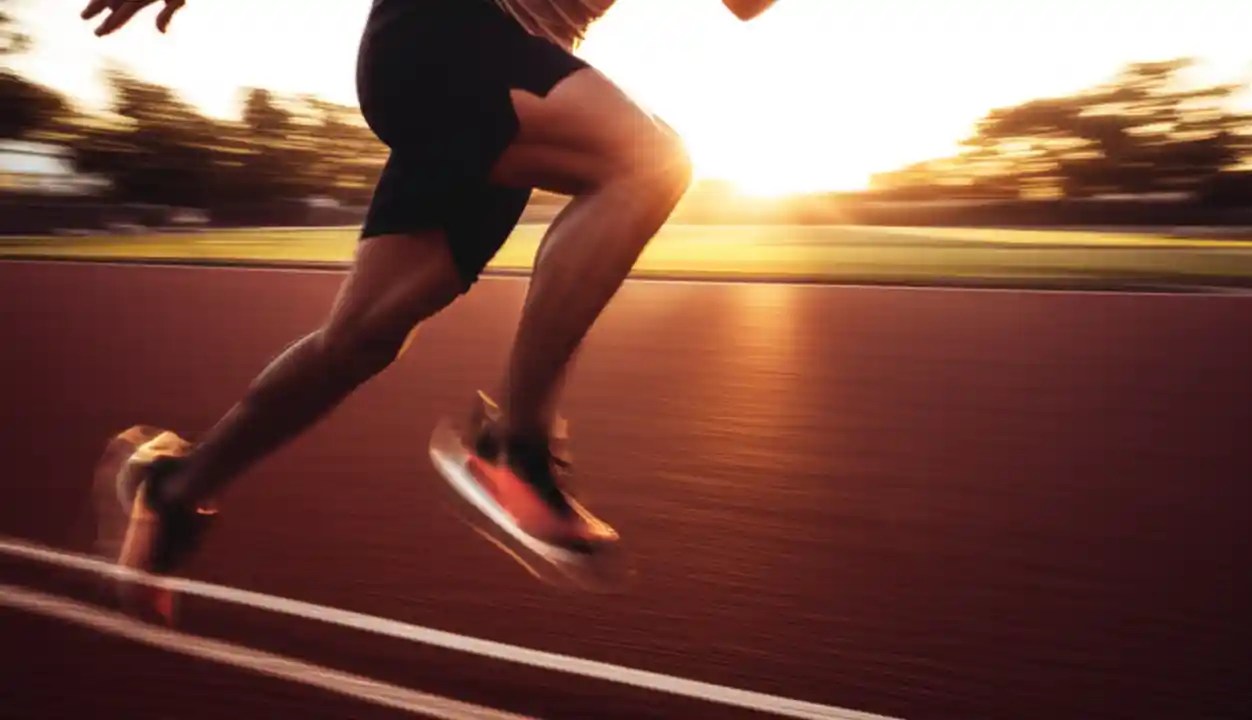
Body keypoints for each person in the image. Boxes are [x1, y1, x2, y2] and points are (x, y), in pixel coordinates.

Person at [84, 0, 778, 617]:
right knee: (648, 161)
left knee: (364, 336)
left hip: (502, 80)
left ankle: (176, 485)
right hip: (444, 34)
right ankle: (517, 448)